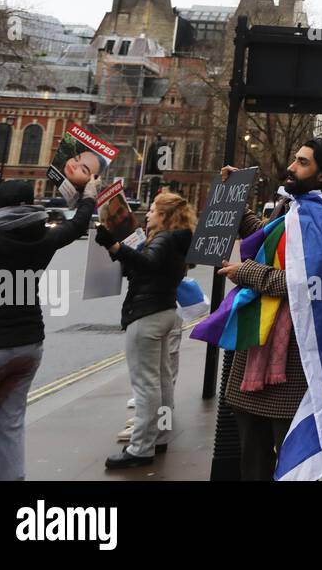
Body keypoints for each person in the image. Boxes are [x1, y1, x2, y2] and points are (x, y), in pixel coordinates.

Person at [217, 140, 322, 480]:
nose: (291, 166)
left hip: (292, 361)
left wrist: (245, 272)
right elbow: (266, 238)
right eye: (294, 158)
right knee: (252, 462)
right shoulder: (292, 207)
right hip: (257, 352)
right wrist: (235, 201)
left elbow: (307, 283)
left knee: (291, 465)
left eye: (302, 163)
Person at [0, 178, 98, 480]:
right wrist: (88, 194)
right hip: (28, 347)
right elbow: (78, 224)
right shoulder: (44, 238)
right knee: (8, 426)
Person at [99, 190, 193, 470]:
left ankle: (140, 447)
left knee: (146, 384)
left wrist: (115, 247)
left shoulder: (163, 238)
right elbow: (151, 268)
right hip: (164, 310)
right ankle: (160, 434)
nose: (148, 213)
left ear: (164, 215)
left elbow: (149, 264)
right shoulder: (176, 239)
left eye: (152, 209)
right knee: (162, 380)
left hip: (147, 315)